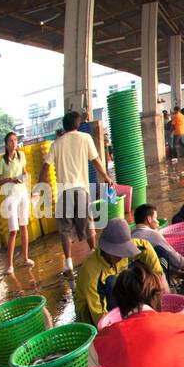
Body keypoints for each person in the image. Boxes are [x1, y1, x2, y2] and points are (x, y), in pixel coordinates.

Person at [41, 109, 111, 277]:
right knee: (88, 225)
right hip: (80, 190)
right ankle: (93, 253)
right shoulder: (85, 138)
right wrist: (106, 177)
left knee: (64, 229)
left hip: (63, 192)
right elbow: (96, 160)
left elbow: (45, 166)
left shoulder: (56, 144)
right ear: (78, 124)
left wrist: (38, 187)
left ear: (64, 126)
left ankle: (68, 264)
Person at [74, 220, 166, 327]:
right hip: (91, 313)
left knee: (159, 253)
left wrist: (160, 279)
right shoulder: (91, 271)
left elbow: (146, 247)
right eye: (118, 253)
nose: (122, 256)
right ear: (107, 251)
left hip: (117, 298)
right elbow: (99, 316)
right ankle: (125, 321)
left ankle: (137, 312)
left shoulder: (126, 249)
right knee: (112, 281)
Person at [0, 131, 34, 273]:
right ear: (6, 144)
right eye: (11, 141)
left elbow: (24, 171)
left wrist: (25, 179)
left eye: (15, 140)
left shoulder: (21, 155)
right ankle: (10, 265)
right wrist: (9, 179)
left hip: (22, 192)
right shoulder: (2, 162)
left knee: (24, 226)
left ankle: (25, 258)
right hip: (11, 196)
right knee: (13, 230)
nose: (14, 143)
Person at [131, 204, 184, 277]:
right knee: (161, 251)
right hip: (148, 278)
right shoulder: (152, 234)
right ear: (149, 219)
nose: (158, 222)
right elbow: (176, 259)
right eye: (156, 218)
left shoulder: (131, 235)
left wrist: (174, 272)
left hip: (133, 276)